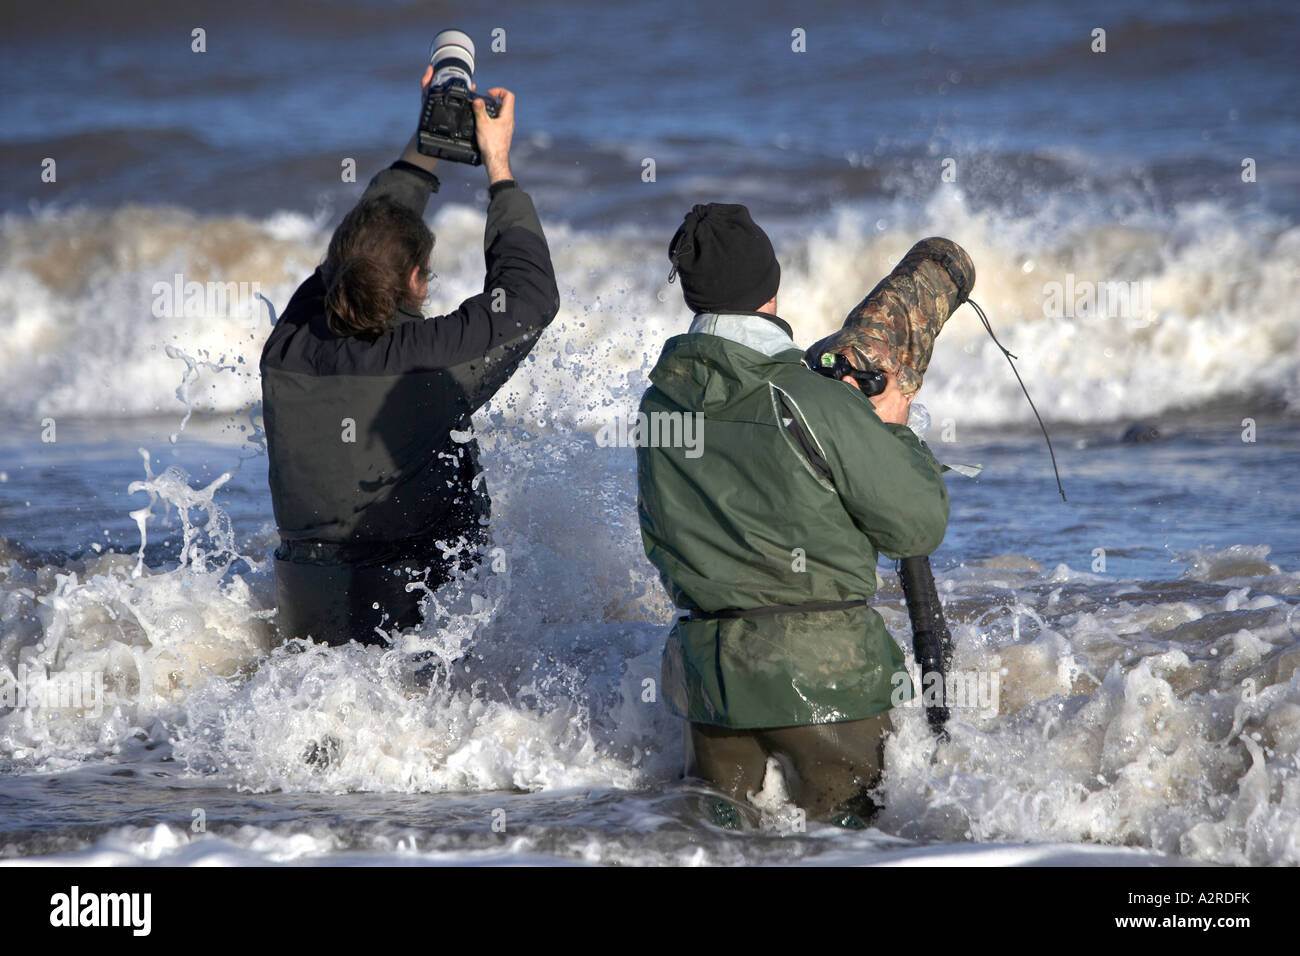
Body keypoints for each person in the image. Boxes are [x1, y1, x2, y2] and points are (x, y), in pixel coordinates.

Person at [635, 203, 950, 824]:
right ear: (771, 291)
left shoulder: (657, 408)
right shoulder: (811, 398)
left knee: (719, 855)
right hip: (831, 687)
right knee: (848, 850)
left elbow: (662, 540)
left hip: (710, 692)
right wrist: (893, 431)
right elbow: (917, 524)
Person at [261, 66, 559, 647]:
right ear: (417, 281)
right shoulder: (424, 365)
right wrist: (499, 167)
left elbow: (353, 251)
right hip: (411, 620)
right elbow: (528, 298)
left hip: (304, 608)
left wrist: (427, 142)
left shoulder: (288, 345)